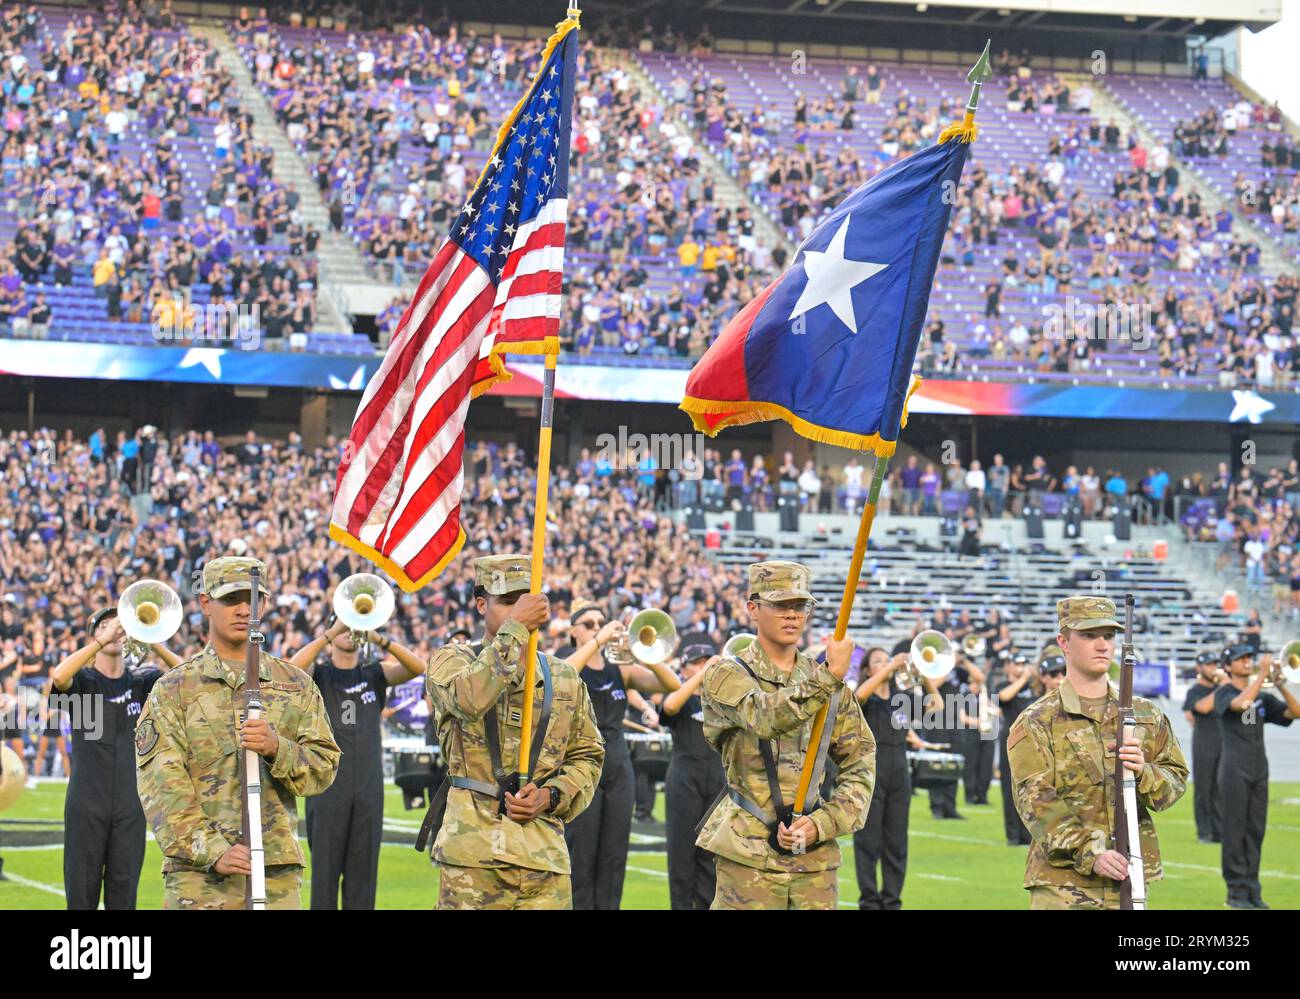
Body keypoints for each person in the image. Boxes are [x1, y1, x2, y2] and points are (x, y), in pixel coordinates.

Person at [135, 556, 341, 909]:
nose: (245, 609)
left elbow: (322, 769)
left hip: (275, 875)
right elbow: (161, 785)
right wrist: (213, 849)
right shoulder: (174, 689)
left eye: (254, 598)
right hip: (200, 878)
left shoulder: (295, 685)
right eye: (231, 599)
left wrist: (277, 747)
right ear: (205, 604)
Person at [424, 554, 604, 910]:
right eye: (507, 602)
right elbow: (469, 698)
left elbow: (588, 756)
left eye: (526, 602)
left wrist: (552, 795)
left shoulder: (564, 677)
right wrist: (515, 630)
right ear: (481, 603)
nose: (518, 610)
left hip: (543, 859)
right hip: (473, 859)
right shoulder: (452, 660)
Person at [696, 560, 875, 909]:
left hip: (814, 863)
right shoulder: (725, 674)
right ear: (753, 608)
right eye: (780, 605)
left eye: (800, 606)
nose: (792, 615)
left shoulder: (829, 684)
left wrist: (824, 823)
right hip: (748, 857)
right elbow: (764, 716)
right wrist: (829, 676)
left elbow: (861, 761)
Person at [1007, 596, 1188, 909]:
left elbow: (1174, 783)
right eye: (1088, 636)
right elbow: (1036, 802)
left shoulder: (1145, 715)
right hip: (1062, 885)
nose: (1102, 645)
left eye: (1108, 636)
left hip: (1128, 884)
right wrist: (1091, 852)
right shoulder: (1038, 720)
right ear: (1064, 642)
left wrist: (1143, 773)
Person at [289, 609, 427, 909]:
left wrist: (378, 637)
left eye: (352, 626)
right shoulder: (320, 675)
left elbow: (418, 667)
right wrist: (328, 634)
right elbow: (290, 669)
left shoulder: (374, 673)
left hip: (367, 787)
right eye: (341, 625)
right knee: (324, 878)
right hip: (327, 788)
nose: (347, 631)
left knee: (362, 880)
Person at [50, 606, 180, 909]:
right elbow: (59, 675)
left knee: (124, 897)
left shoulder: (141, 683)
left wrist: (151, 638)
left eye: (120, 625)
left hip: (130, 803)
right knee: (81, 894)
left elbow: (189, 677)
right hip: (86, 802)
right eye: (105, 625)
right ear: (93, 635)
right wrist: (99, 642)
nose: (114, 629)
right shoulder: (82, 682)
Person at [563, 598, 681, 909]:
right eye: (589, 624)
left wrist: (644, 652)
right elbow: (561, 676)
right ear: (573, 630)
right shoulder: (566, 662)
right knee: (582, 851)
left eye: (600, 623)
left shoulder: (620, 670)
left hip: (617, 764)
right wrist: (599, 641)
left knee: (614, 852)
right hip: (579, 764)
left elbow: (671, 684)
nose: (597, 629)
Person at [1214, 642, 1299, 909]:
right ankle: (1235, 893)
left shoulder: (1262, 695)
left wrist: (1279, 682)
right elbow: (1240, 704)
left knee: (1255, 833)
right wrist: (1262, 675)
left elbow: (1296, 712)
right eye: (1241, 659)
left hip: (1258, 770)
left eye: (1249, 657)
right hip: (1233, 771)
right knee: (1234, 832)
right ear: (1227, 666)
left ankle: (1252, 890)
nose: (1247, 662)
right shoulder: (1224, 692)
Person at [853, 645, 928, 909]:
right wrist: (891, 666)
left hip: (899, 776)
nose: (885, 663)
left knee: (897, 842)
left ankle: (892, 900)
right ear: (867, 669)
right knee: (868, 842)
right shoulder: (867, 700)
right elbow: (859, 695)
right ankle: (870, 900)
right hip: (870, 775)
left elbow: (937, 706)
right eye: (877, 661)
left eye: (886, 660)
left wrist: (924, 675)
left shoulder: (901, 698)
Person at [660, 634, 726, 909]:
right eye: (696, 664)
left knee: (712, 858)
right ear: (684, 668)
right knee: (682, 857)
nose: (703, 667)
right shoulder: (682, 696)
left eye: (706, 662)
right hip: (683, 780)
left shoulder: (723, 703)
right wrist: (700, 678)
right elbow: (669, 706)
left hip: (718, 782)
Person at [995, 652, 1040, 846]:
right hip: (1011, 740)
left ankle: (1027, 834)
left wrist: (1034, 676)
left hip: (1031, 742)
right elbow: (1004, 697)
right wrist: (1022, 678)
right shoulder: (1002, 685)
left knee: (1030, 789)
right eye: (1017, 663)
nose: (1021, 666)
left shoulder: (1031, 687)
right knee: (1009, 789)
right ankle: (1012, 835)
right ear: (1007, 666)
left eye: (1023, 663)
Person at [1180, 650, 1222, 845]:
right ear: (1199, 668)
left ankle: (1219, 830)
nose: (1213, 668)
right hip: (1204, 744)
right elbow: (1197, 712)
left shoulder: (1223, 688)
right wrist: (1223, 687)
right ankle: (1204, 832)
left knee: (1220, 789)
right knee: (1204, 789)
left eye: (1215, 664)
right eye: (1209, 664)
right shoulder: (1195, 691)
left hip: (1225, 743)